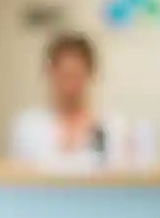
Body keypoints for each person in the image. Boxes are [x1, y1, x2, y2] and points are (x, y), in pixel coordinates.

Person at [11, 32, 102, 162]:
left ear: (90, 74)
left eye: (76, 75)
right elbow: (17, 172)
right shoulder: (28, 127)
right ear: (50, 73)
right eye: (64, 75)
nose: (70, 86)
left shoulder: (108, 128)